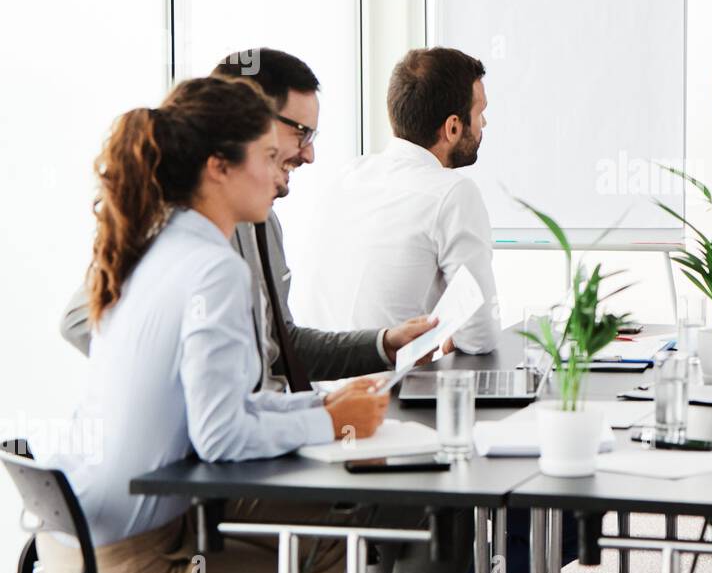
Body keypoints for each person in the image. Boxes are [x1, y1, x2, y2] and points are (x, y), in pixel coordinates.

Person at [35, 77, 391, 573]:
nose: (281, 173)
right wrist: (331, 421)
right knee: (325, 553)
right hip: (129, 570)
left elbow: (225, 406)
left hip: (70, 549)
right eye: (270, 157)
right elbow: (221, 436)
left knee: (307, 530)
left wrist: (322, 403)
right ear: (218, 167)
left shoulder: (152, 243)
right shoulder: (215, 268)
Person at [60, 48, 439, 388]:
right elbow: (80, 322)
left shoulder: (262, 219)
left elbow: (278, 345)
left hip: (270, 425)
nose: (309, 155)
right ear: (245, 118)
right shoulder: (172, 224)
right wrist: (204, 376)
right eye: (302, 132)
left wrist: (382, 344)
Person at [296, 47, 501, 573]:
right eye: (481, 113)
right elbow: (484, 334)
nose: (486, 125)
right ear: (452, 127)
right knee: (464, 488)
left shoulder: (347, 179)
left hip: (323, 426)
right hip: (390, 432)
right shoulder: (450, 192)